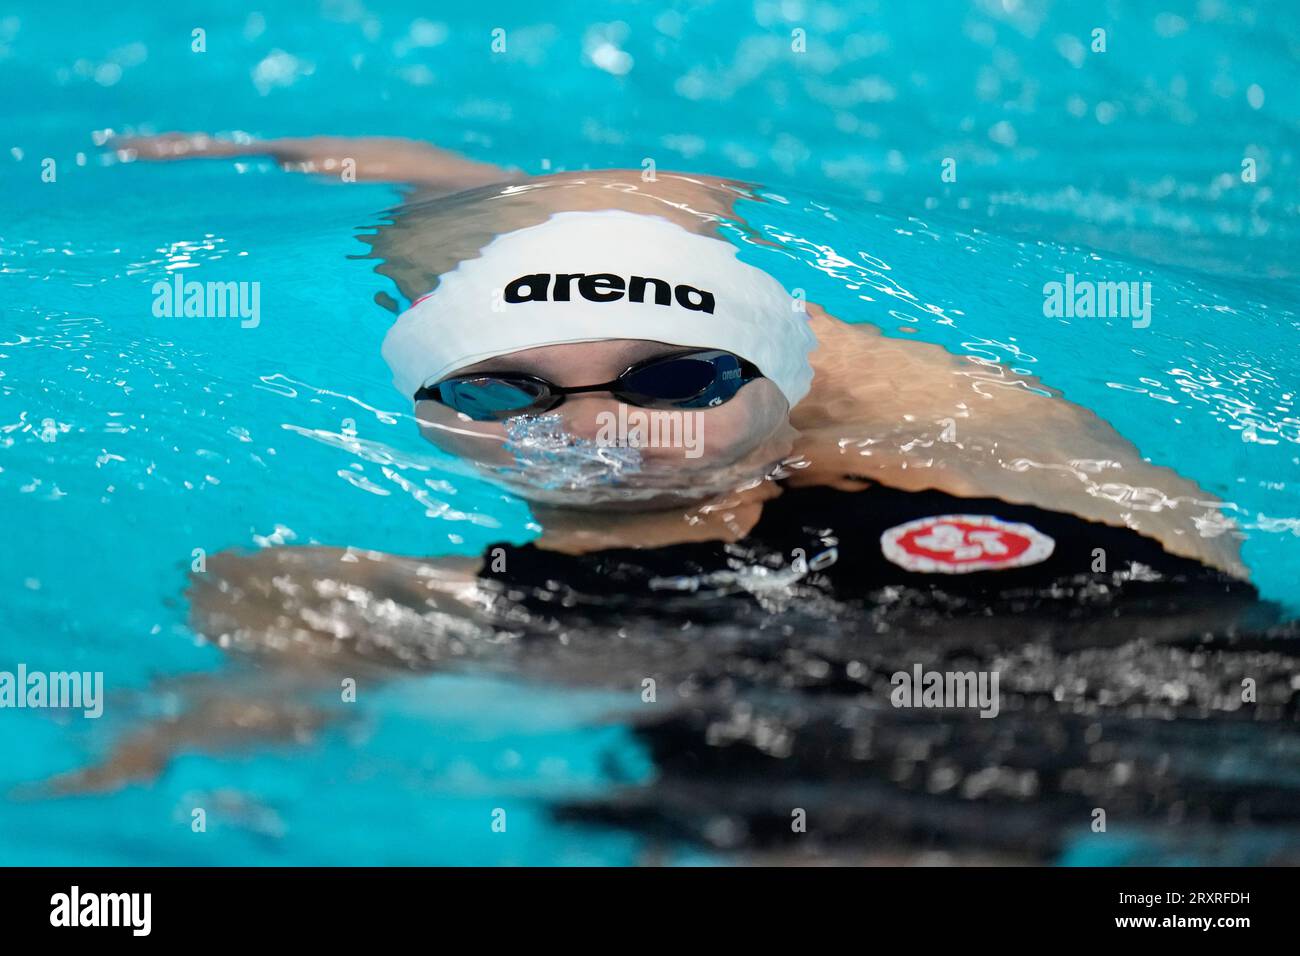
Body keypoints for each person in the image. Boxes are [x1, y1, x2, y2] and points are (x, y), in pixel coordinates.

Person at [46, 131, 1266, 795]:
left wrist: (446, 190)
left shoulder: (983, 471)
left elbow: (640, 207)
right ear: (428, 415)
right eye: (501, 388)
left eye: (672, 380)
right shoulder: (347, 594)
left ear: (782, 378)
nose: (594, 429)